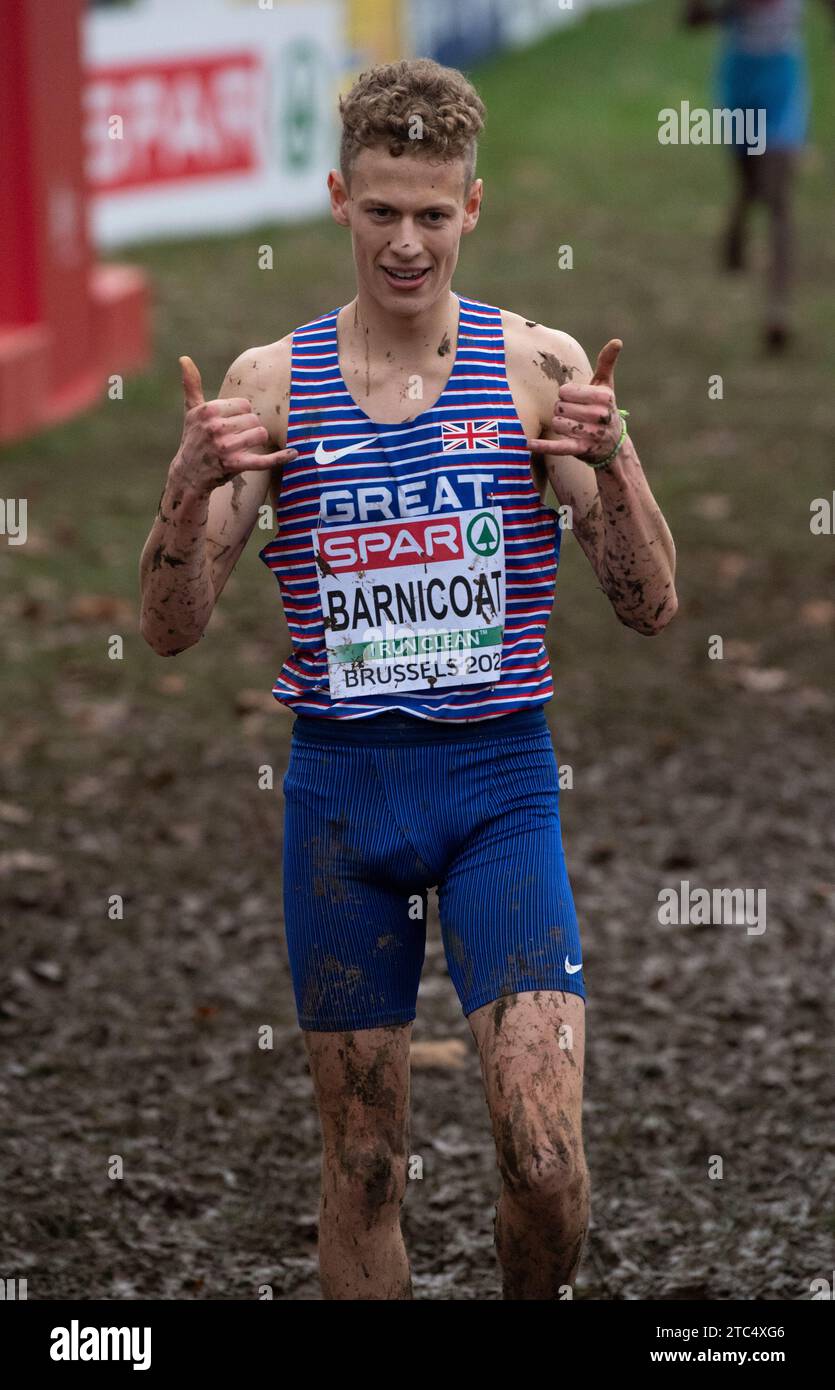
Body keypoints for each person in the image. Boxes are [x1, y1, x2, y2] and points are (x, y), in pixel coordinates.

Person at [139, 58, 678, 1300]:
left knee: (542, 1157)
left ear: (472, 210)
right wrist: (184, 487)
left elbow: (651, 609)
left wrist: (620, 456)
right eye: (380, 210)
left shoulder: (537, 369)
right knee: (366, 1167)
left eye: (432, 214)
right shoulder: (266, 388)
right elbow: (168, 629)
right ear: (339, 197)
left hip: (497, 789)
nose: (404, 242)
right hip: (341, 802)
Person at [684, 0, 834, 351]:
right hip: (739, 79)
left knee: (778, 195)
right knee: (751, 184)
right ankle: (737, 225)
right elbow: (692, 18)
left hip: (781, 80)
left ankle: (777, 310)